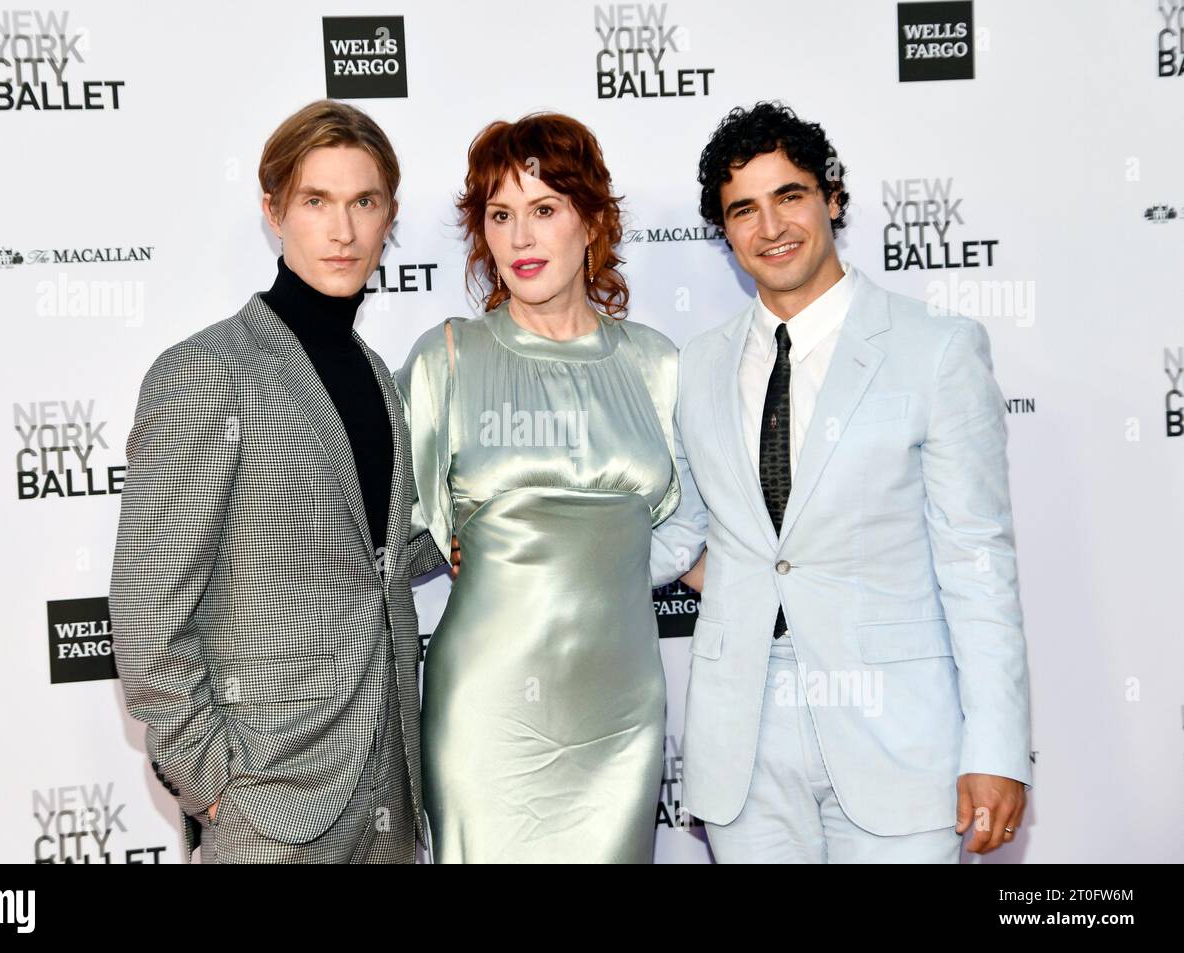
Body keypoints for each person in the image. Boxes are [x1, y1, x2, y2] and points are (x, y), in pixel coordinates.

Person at [651, 102, 1032, 863]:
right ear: (724, 232)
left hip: (899, 737)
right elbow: (683, 530)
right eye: (743, 210)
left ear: (831, 198)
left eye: (789, 195)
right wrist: (527, 547)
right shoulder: (697, 365)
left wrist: (997, 746)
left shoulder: (937, 351)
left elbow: (977, 563)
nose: (770, 227)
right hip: (744, 745)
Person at [110, 99, 443, 864]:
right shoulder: (207, 372)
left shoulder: (373, 378)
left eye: (365, 202)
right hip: (268, 798)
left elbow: (364, 557)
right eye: (316, 202)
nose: (344, 229)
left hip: (388, 784)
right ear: (273, 211)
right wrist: (213, 782)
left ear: (389, 214)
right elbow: (148, 605)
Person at [397, 113, 682, 862]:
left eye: (544, 209)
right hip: (489, 715)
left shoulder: (656, 365)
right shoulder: (448, 360)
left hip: (620, 718)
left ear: (591, 221)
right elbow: (388, 535)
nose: (520, 238)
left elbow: (693, 533)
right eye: (500, 215)